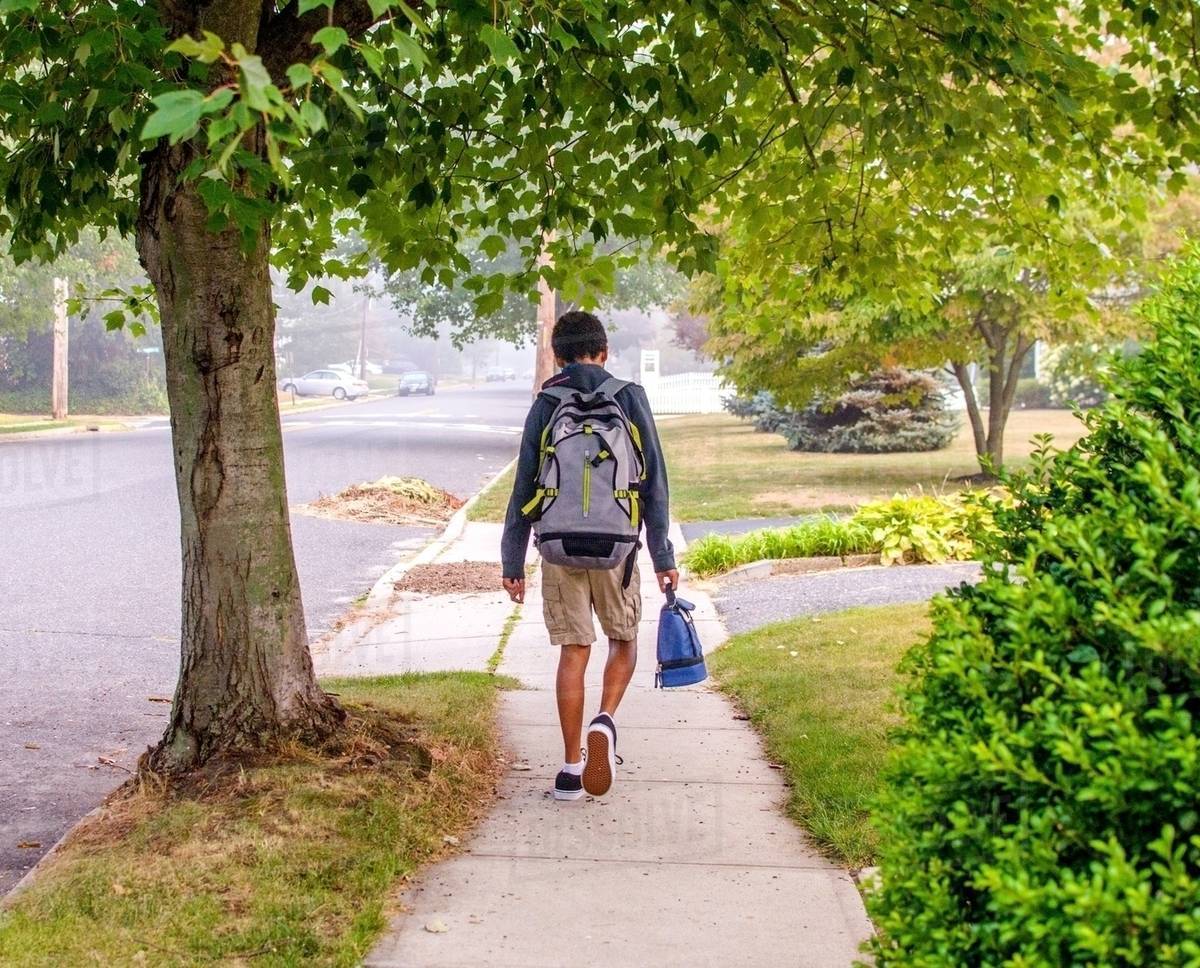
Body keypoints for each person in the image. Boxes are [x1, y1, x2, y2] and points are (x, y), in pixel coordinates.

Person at [501, 310, 678, 800]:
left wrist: (512, 562)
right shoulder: (628, 396)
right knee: (622, 640)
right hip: (617, 547)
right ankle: (606, 720)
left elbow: (524, 486)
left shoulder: (547, 403)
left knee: (574, 651)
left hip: (558, 547)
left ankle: (570, 767)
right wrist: (662, 555)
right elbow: (655, 481)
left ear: (556, 356)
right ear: (603, 352)